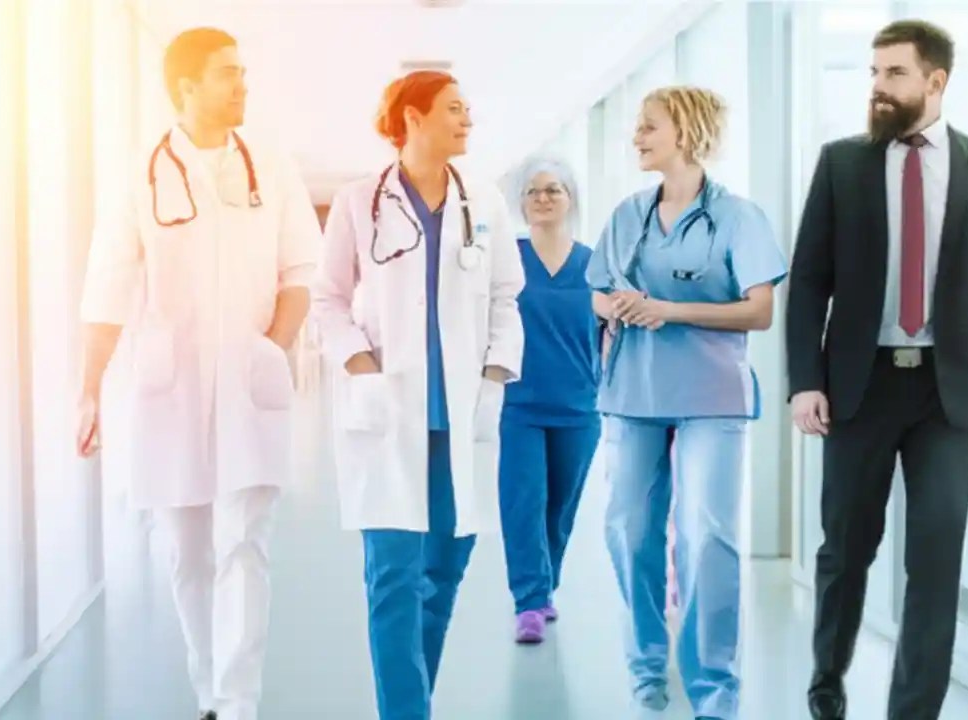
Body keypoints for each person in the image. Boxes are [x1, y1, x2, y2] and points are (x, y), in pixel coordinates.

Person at [74, 27, 322, 720]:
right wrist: (88, 388)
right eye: (228, 74)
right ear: (186, 86)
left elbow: (301, 270)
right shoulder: (140, 172)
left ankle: (238, 702)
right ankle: (209, 687)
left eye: (242, 71)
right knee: (186, 553)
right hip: (169, 387)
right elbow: (107, 287)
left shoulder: (270, 166)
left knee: (245, 541)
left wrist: (270, 347)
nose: (243, 84)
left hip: (252, 380)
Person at [786, 20, 968, 720]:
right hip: (859, 386)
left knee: (937, 560)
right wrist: (806, 380)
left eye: (893, 73)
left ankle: (912, 712)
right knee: (846, 550)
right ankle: (826, 686)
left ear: (934, 81)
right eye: (873, 72)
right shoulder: (843, 163)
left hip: (947, 395)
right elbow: (808, 282)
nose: (878, 86)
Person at [310, 70, 524, 720]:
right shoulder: (357, 201)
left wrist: (494, 378)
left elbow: (506, 299)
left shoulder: (482, 201)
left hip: (463, 416)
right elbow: (328, 299)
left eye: (468, 108)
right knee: (393, 578)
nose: (468, 120)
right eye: (455, 109)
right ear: (413, 117)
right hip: (387, 412)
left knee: (445, 572)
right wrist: (360, 368)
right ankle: (405, 712)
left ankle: (411, 701)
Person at [587, 85, 787, 720]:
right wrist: (617, 305)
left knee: (707, 538)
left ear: (687, 132)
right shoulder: (627, 215)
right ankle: (647, 667)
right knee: (628, 532)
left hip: (711, 396)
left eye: (649, 127)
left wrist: (666, 309)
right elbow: (598, 291)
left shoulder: (738, 217)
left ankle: (715, 689)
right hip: (633, 393)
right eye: (637, 127)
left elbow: (759, 309)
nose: (638, 137)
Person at [497, 155, 601, 644]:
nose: (543, 198)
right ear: (521, 203)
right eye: (533, 191)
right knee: (523, 502)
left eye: (553, 190)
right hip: (518, 404)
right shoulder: (507, 258)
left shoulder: (596, 263)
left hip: (579, 406)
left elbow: (615, 327)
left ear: (570, 199)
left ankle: (545, 585)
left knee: (559, 508)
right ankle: (530, 601)